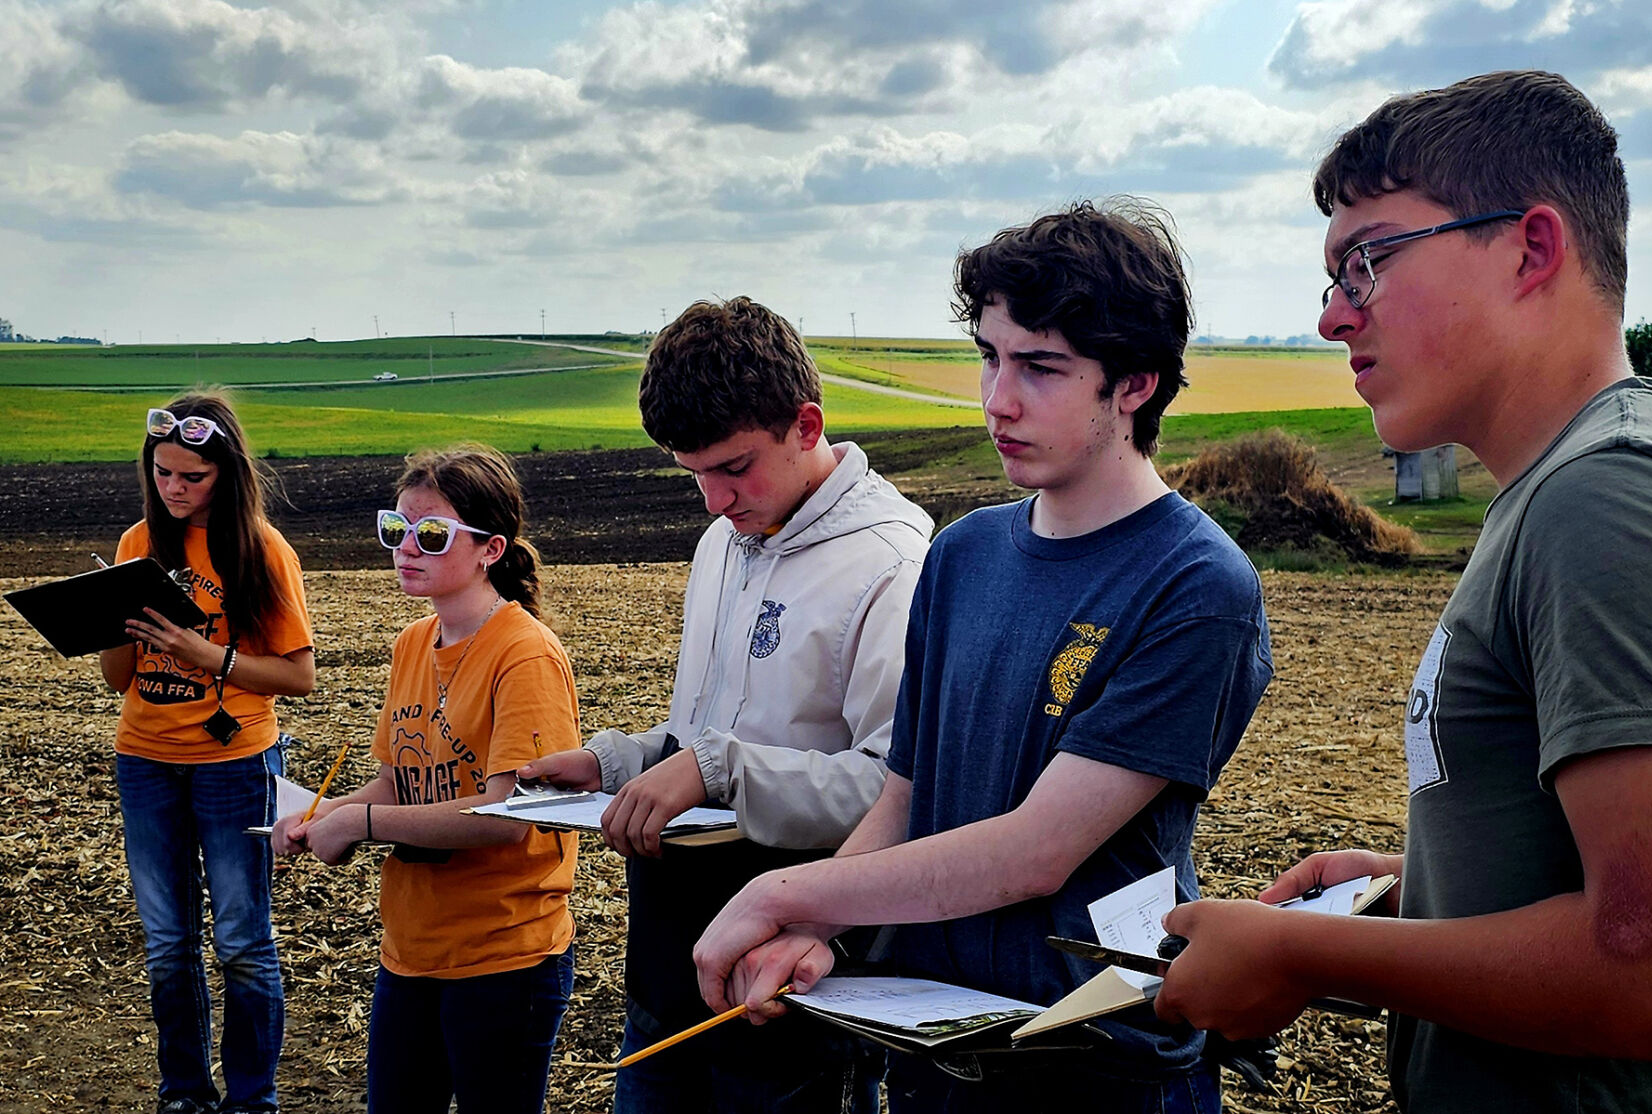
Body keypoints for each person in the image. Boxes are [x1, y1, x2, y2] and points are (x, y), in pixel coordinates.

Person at [1152, 71, 1652, 1113]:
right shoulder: (1567, 486)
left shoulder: (1610, 499)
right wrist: (1411, 894)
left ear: (1531, 247)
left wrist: (1301, 954)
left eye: (1366, 261)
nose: (1334, 316)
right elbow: (1599, 894)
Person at [692, 199, 1274, 1112]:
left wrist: (780, 891)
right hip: (931, 1047)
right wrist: (822, 930)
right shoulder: (962, 553)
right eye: (989, 357)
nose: (998, 399)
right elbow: (905, 795)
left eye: (1040, 367)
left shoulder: (1195, 583)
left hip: (1089, 1062)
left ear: (1136, 386)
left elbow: (1036, 852)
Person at [517, 296, 931, 1112]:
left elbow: (901, 789)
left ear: (805, 426)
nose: (713, 499)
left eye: (733, 467)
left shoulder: (895, 565)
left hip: (795, 981)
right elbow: (709, 733)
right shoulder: (724, 542)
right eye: (693, 472)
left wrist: (712, 770)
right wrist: (621, 761)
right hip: (668, 952)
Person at [275, 445, 580, 1114]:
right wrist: (319, 817)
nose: (406, 547)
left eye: (432, 533)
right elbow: (396, 783)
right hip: (409, 952)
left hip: (505, 958)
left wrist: (356, 824)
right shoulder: (413, 644)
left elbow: (510, 814)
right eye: (396, 528)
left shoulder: (524, 653)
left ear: (490, 549)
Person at [101, 392, 316, 1114]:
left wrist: (204, 653)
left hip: (235, 764)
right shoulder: (138, 543)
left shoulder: (260, 550)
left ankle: (253, 1100)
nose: (174, 488)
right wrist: (111, 622)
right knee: (167, 943)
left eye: (191, 476)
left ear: (226, 472)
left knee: (242, 941)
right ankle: (183, 1095)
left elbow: (298, 676)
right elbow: (117, 679)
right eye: (162, 473)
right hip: (146, 759)